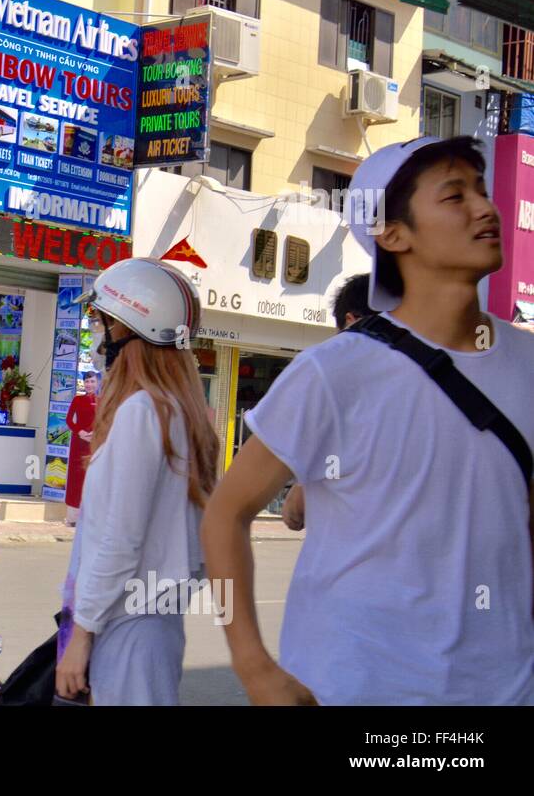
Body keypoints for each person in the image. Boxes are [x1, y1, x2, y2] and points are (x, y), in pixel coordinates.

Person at [201, 136, 534, 705]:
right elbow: (224, 515)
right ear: (393, 233)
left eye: (482, 189)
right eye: (454, 196)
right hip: (356, 691)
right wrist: (254, 667)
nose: (486, 208)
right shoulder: (334, 372)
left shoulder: (528, 364)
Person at [54, 259, 219, 706]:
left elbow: (119, 539)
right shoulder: (179, 414)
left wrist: (82, 634)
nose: (96, 336)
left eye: (103, 322)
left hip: (123, 627)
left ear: (131, 329)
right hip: (153, 625)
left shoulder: (142, 413)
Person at [279, 272, 376, 531]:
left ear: (351, 321)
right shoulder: (426, 385)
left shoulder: (332, 378)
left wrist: (298, 496)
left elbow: (293, 511)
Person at [64, 370, 98, 526]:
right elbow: (69, 420)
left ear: (97, 383)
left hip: (95, 444)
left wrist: (95, 433)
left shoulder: (103, 400)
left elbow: (107, 419)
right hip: (78, 444)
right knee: (76, 477)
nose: (89, 384)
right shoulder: (77, 400)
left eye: (92, 381)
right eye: (87, 381)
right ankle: (73, 517)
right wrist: (80, 432)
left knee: (92, 477)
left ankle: (90, 517)